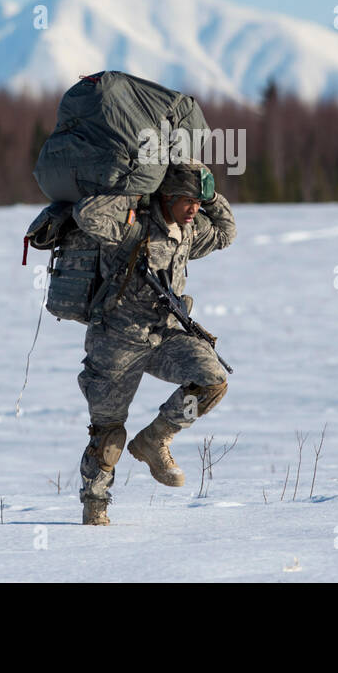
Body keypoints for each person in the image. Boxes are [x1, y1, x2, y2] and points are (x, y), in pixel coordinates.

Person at [70, 160, 236, 525]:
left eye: (198, 202)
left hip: (165, 335)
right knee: (108, 436)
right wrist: (136, 189)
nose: (194, 209)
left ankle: (156, 438)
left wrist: (208, 191)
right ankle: (95, 508)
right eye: (188, 200)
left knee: (211, 382)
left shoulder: (188, 229)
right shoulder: (132, 224)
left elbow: (225, 233)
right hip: (118, 341)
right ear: (167, 196)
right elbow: (86, 215)